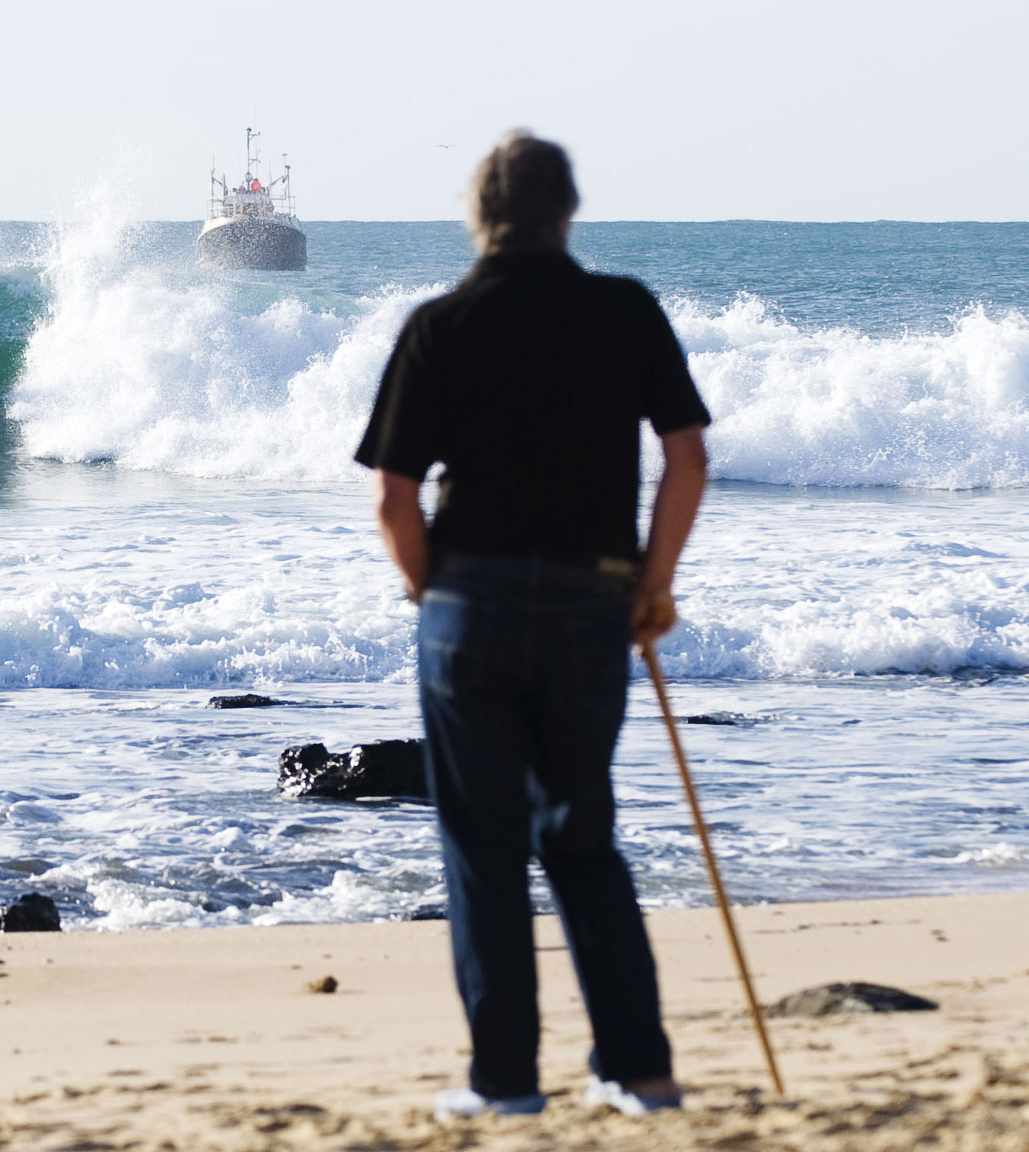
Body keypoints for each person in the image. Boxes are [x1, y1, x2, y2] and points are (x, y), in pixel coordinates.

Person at [355, 132, 712, 1120]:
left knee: (480, 843)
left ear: (477, 216)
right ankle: (638, 1071)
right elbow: (685, 458)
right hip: (589, 600)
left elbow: (393, 496)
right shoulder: (623, 310)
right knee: (580, 832)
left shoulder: (440, 323)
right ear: (567, 212)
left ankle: (504, 1081)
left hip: (467, 604)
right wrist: (652, 583)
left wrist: (432, 593)